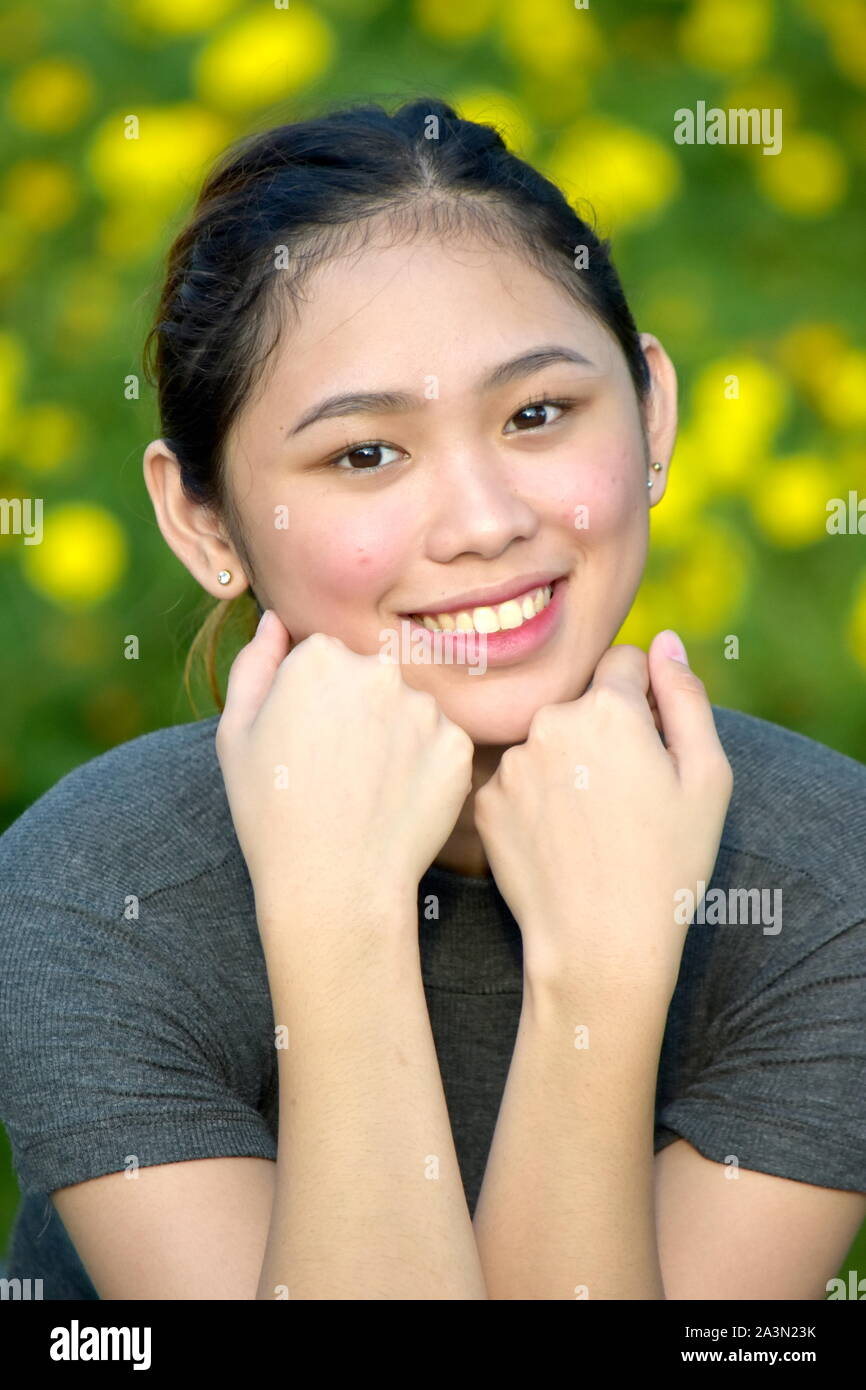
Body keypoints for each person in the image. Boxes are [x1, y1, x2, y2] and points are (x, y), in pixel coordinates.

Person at [1, 96, 864, 1301]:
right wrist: (340, 931)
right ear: (203, 521)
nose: (484, 521)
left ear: (653, 412)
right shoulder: (97, 893)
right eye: (364, 453)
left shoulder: (827, 887)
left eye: (537, 413)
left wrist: (600, 979)